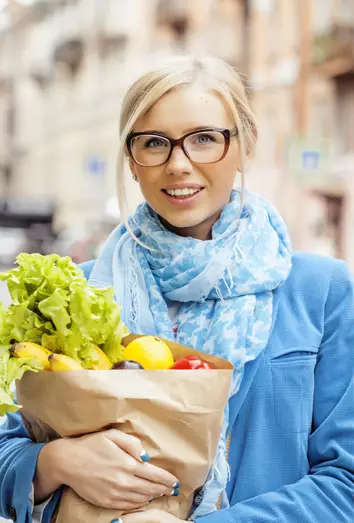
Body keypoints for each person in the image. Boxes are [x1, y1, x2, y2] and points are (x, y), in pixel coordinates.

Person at [1, 55, 354, 523]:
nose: (178, 164)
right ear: (131, 160)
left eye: (205, 139)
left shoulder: (321, 292)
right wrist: (53, 464)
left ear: (245, 145)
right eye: (154, 143)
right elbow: (9, 446)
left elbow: (345, 484)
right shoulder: (79, 295)